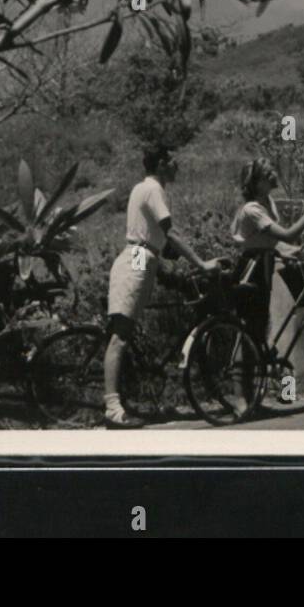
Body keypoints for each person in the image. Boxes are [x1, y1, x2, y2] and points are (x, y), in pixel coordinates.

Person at [104, 146, 220, 429]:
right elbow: (171, 232)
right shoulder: (154, 189)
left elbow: (161, 241)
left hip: (140, 257)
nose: (176, 164)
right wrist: (202, 263)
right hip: (138, 260)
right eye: (171, 159)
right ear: (160, 164)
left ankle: (118, 399)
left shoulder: (142, 189)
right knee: (120, 337)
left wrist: (180, 263)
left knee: (123, 333)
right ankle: (112, 407)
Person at [230, 158, 304, 349]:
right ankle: (249, 374)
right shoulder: (252, 210)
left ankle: (259, 369)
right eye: (267, 175)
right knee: (254, 326)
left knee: (261, 324)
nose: (273, 175)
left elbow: (265, 242)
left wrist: (282, 255)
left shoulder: (268, 203)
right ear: (257, 184)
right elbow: (288, 236)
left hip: (264, 264)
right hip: (251, 270)